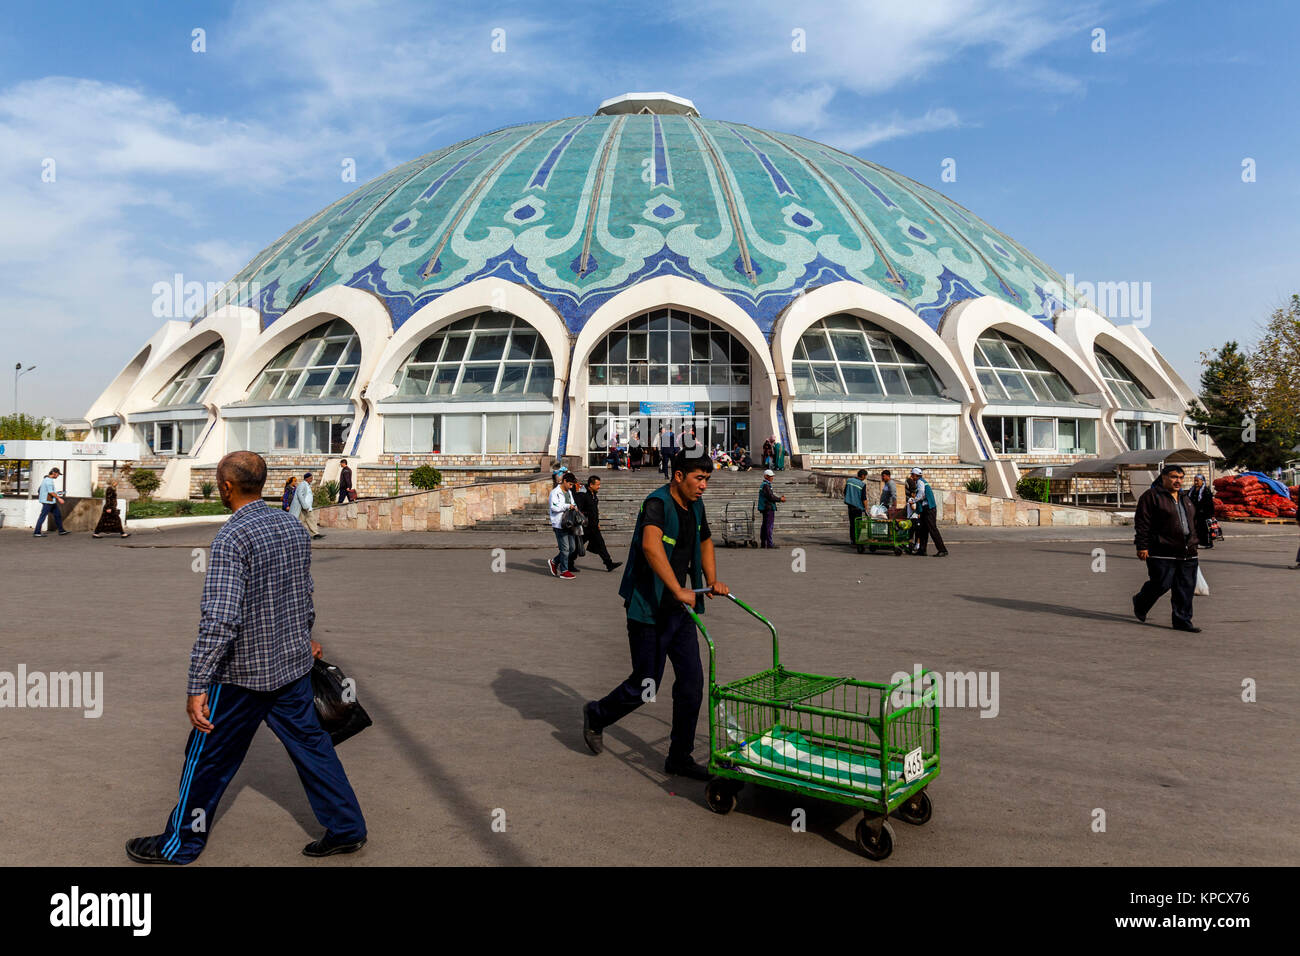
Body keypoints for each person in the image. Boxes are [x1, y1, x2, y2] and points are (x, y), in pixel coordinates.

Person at [125, 451, 366, 864]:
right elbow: (303, 593)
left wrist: (197, 684)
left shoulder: (232, 537)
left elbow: (220, 619)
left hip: (241, 674)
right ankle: (347, 828)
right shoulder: (289, 526)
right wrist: (304, 637)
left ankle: (180, 844)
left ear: (226, 487)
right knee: (313, 747)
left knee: (206, 759)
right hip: (290, 667)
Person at [582, 451, 730, 779]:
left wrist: (711, 579)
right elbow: (651, 547)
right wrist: (678, 589)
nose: (703, 486)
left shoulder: (697, 506)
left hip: (678, 613)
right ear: (678, 476)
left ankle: (679, 757)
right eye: (698, 479)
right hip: (648, 610)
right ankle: (597, 714)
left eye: (707, 479)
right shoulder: (657, 504)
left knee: (692, 684)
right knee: (646, 684)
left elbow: (705, 541)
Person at [1132, 464, 1201, 632]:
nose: (1178, 481)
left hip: (1187, 552)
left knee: (1185, 588)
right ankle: (1141, 602)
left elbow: (1193, 522)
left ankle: (1182, 620)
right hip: (1161, 550)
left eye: (1180, 477)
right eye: (1173, 477)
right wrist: (1142, 546)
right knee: (1161, 583)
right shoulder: (1151, 496)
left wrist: (1196, 540)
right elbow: (1142, 523)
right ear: (1163, 477)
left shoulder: (1185, 497)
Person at [574, 476, 623, 573]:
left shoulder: (593, 495)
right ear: (591, 485)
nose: (599, 487)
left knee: (600, 544)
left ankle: (609, 564)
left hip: (593, 526)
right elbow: (578, 510)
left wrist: (597, 522)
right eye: (597, 485)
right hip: (586, 526)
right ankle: (563, 561)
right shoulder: (583, 495)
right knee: (577, 546)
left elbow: (595, 511)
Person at [548, 471, 581, 579]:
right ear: (565, 481)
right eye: (570, 484)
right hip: (559, 524)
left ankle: (554, 561)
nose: (571, 487)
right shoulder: (555, 492)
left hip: (570, 523)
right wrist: (567, 506)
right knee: (565, 549)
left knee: (572, 548)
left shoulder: (569, 492)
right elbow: (554, 507)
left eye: (572, 485)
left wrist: (574, 506)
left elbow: (573, 502)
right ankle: (564, 571)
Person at [909, 467, 948, 557]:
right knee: (923, 529)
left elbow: (921, 494)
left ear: (915, 475)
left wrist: (914, 500)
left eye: (912, 475)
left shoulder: (920, 482)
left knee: (932, 529)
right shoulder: (921, 481)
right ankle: (922, 550)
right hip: (925, 508)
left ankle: (942, 550)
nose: (911, 476)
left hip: (929, 509)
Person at [33, 467, 69, 537]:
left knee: (57, 515)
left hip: (51, 501)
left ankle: (61, 530)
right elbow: (50, 492)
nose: (58, 476)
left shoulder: (46, 479)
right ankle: (37, 532)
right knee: (43, 516)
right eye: (58, 474)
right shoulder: (49, 481)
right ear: (54, 473)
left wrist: (57, 493)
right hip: (48, 502)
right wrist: (59, 498)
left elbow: (48, 491)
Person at [290, 472, 324, 540]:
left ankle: (315, 534)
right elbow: (300, 495)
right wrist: (304, 505)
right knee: (302, 521)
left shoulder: (307, 485)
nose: (312, 479)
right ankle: (298, 534)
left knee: (311, 519)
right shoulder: (302, 484)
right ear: (307, 478)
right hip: (303, 506)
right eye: (311, 478)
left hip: (307, 507)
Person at [756, 469, 785, 548]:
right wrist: (780, 499)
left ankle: (764, 543)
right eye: (770, 476)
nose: (772, 478)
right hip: (768, 508)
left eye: (772, 476)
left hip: (765, 507)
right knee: (769, 526)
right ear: (766, 476)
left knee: (765, 525)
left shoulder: (765, 485)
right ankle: (769, 544)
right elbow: (770, 497)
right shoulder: (766, 485)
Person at [1189, 474, 1215, 549]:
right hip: (1195, 513)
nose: (1196, 482)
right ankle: (1198, 542)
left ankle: (1207, 543)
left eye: (1197, 481)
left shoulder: (1206, 490)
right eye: (1195, 481)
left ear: (1202, 481)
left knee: (1205, 529)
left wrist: (1212, 515)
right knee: (1197, 528)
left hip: (1204, 513)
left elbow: (1210, 504)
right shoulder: (1192, 490)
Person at [844, 469, 867, 545]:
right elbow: (864, 498)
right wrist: (866, 508)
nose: (865, 478)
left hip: (850, 506)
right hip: (858, 507)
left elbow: (845, 492)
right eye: (865, 476)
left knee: (852, 524)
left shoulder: (849, 481)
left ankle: (852, 540)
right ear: (863, 475)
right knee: (858, 524)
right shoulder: (862, 485)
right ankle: (858, 539)